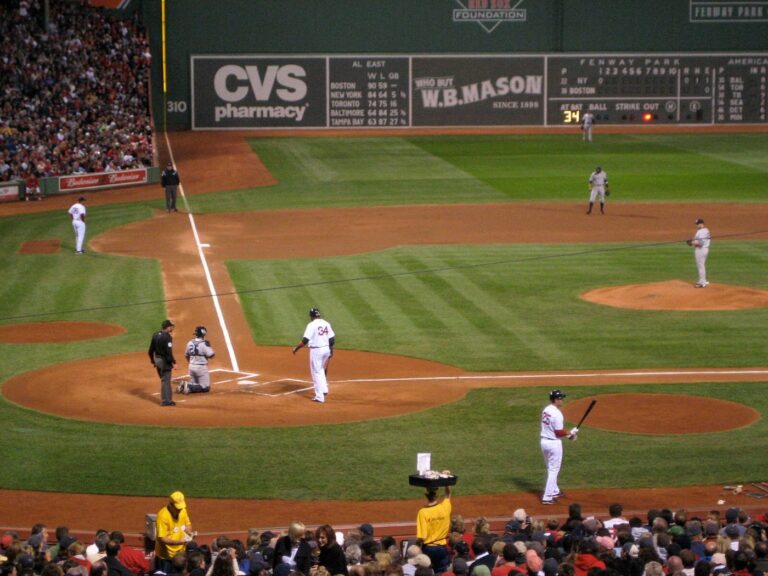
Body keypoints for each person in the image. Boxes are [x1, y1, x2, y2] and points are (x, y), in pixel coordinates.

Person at [540, 389, 578, 505]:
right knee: (553, 470)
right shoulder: (557, 414)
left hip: (544, 442)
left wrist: (569, 435)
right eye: (560, 398)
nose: (562, 400)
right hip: (553, 444)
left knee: (550, 467)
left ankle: (555, 491)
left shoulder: (546, 409)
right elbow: (558, 432)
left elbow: (553, 430)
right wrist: (570, 433)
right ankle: (547, 497)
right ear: (555, 400)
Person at [292, 307, 335, 403]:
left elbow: (305, 341)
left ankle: (319, 397)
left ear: (311, 316)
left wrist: (296, 348)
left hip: (317, 351)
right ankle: (324, 389)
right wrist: (331, 350)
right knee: (320, 370)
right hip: (326, 349)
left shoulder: (311, 325)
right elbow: (332, 339)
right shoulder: (326, 323)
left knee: (316, 372)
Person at [154, 491, 193, 575]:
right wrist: (179, 542)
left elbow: (188, 524)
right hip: (166, 557)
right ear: (171, 505)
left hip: (180, 554)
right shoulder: (163, 516)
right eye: (177, 508)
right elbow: (162, 538)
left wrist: (189, 532)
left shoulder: (182, 510)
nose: (179, 510)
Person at [416, 484, 452, 574]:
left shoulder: (422, 512)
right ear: (437, 496)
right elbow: (448, 494)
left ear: (426, 496)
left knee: (426, 572)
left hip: (428, 549)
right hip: (442, 547)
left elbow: (422, 537)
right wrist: (446, 482)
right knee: (443, 572)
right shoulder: (444, 507)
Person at [148, 319, 177, 406]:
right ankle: (166, 401)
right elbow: (169, 352)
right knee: (166, 381)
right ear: (167, 327)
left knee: (163, 379)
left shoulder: (155, 335)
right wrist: (174, 362)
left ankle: (166, 400)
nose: (172, 328)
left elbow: (150, 350)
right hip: (164, 361)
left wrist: (153, 361)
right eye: (171, 326)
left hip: (157, 360)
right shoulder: (168, 337)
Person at [179, 325, 215, 394]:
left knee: (195, 384)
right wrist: (209, 345)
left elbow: (186, 355)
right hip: (201, 368)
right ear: (204, 333)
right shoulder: (204, 344)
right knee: (206, 387)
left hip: (191, 366)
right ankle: (189, 386)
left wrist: (192, 362)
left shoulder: (189, 342)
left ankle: (184, 385)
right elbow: (212, 355)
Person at [688, 218, 711, 288]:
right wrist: (692, 242)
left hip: (701, 250)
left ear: (701, 224)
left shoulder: (701, 231)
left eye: (697, 224)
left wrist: (691, 242)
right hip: (705, 249)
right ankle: (703, 280)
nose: (697, 225)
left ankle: (702, 283)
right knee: (702, 266)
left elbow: (700, 243)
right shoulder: (706, 230)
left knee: (700, 266)